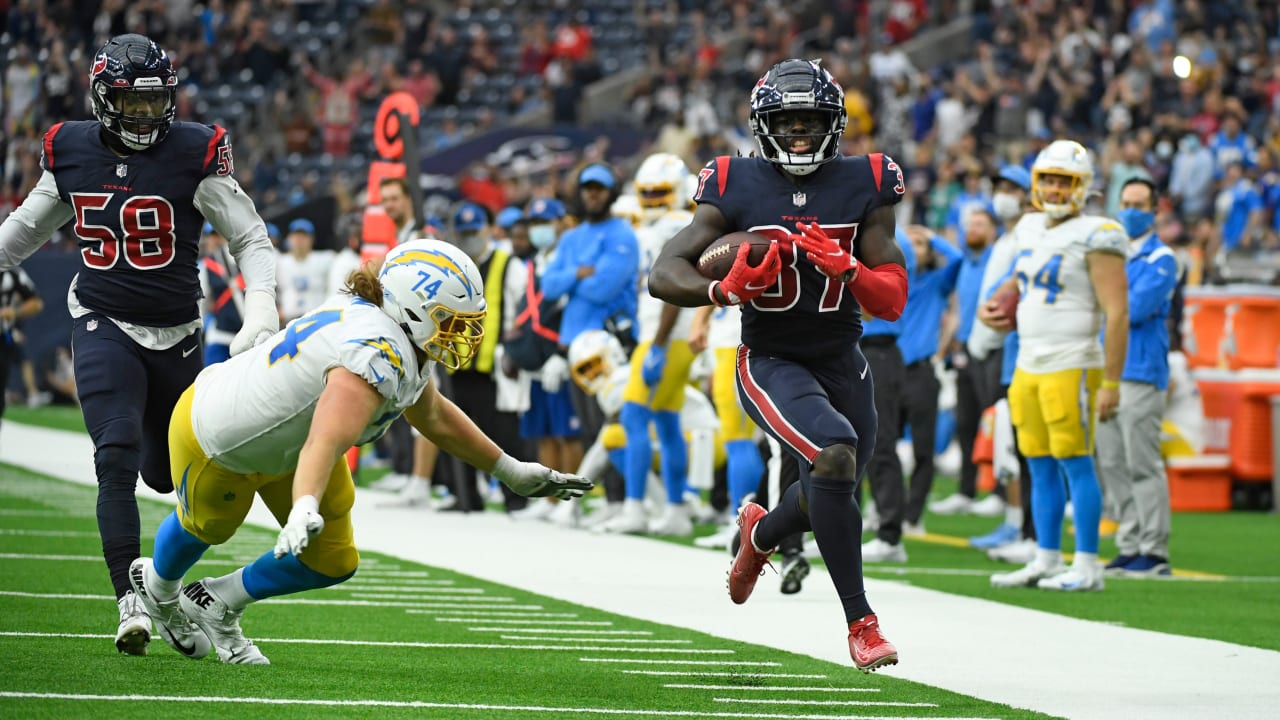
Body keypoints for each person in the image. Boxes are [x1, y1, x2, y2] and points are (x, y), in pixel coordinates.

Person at [127, 239, 592, 664]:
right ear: (414, 309)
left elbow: (429, 412)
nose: (460, 336)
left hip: (289, 447)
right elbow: (325, 440)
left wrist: (508, 470)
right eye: (451, 322)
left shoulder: (391, 327)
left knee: (332, 558)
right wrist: (304, 503)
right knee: (209, 525)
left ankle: (216, 600)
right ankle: (159, 588)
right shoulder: (374, 349)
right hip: (219, 436)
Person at [0, 34, 279, 655]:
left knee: (175, 478)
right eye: (133, 103)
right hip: (102, 316)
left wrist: (261, 307)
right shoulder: (69, 150)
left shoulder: (193, 151)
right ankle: (128, 597)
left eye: (155, 102)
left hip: (178, 331)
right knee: (116, 451)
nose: (146, 115)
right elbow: (23, 231)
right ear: (103, 100)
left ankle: (163, 588)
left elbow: (251, 238)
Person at [649, 59, 908, 672]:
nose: (798, 133)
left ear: (835, 124)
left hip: (844, 358)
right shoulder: (733, 181)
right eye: (787, 121)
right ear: (764, 124)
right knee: (837, 453)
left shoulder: (868, 178)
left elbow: (892, 300)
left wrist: (850, 270)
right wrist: (723, 288)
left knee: (831, 488)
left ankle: (760, 536)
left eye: (810, 121)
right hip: (770, 357)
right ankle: (862, 625)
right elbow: (664, 272)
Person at [981, 139, 1129, 593]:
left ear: (1082, 186)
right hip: (1028, 361)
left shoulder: (1098, 232)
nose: (1055, 189)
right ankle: (1046, 556)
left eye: (1064, 181)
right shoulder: (1029, 227)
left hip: (1073, 361)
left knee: (1075, 462)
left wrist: (1111, 381)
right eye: (1048, 179)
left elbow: (1117, 312)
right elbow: (1024, 279)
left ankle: (1086, 564)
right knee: (1039, 463)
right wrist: (998, 304)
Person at [610, 152, 699, 536]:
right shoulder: (663, 224)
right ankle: (676, 510)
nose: (651, 199)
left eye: (659, 192)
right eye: (646, 192)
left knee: (633, 416)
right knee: (665, 422)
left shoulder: (676, 224)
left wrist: (659, 343)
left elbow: (674, 288)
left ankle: (636, 508)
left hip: (666, 335)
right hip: (665, 334)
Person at [1096, 178, 1178, 577]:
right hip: (1108, 369)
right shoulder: (1114, 256)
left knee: (1142, 462)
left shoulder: (1162, 259)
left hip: (1142, 371)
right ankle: (1129, 543)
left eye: (1139, 203)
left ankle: (1154, 548)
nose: (1131, 210)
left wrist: (1105, 293)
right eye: (1125, 202)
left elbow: (1134, 307)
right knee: (1112, 461)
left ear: (1154, 209)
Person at [0, 266, 43, 430]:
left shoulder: (12, 273)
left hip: (3, 337)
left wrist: (14, 311)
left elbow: (37, 303)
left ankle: (32, 394)